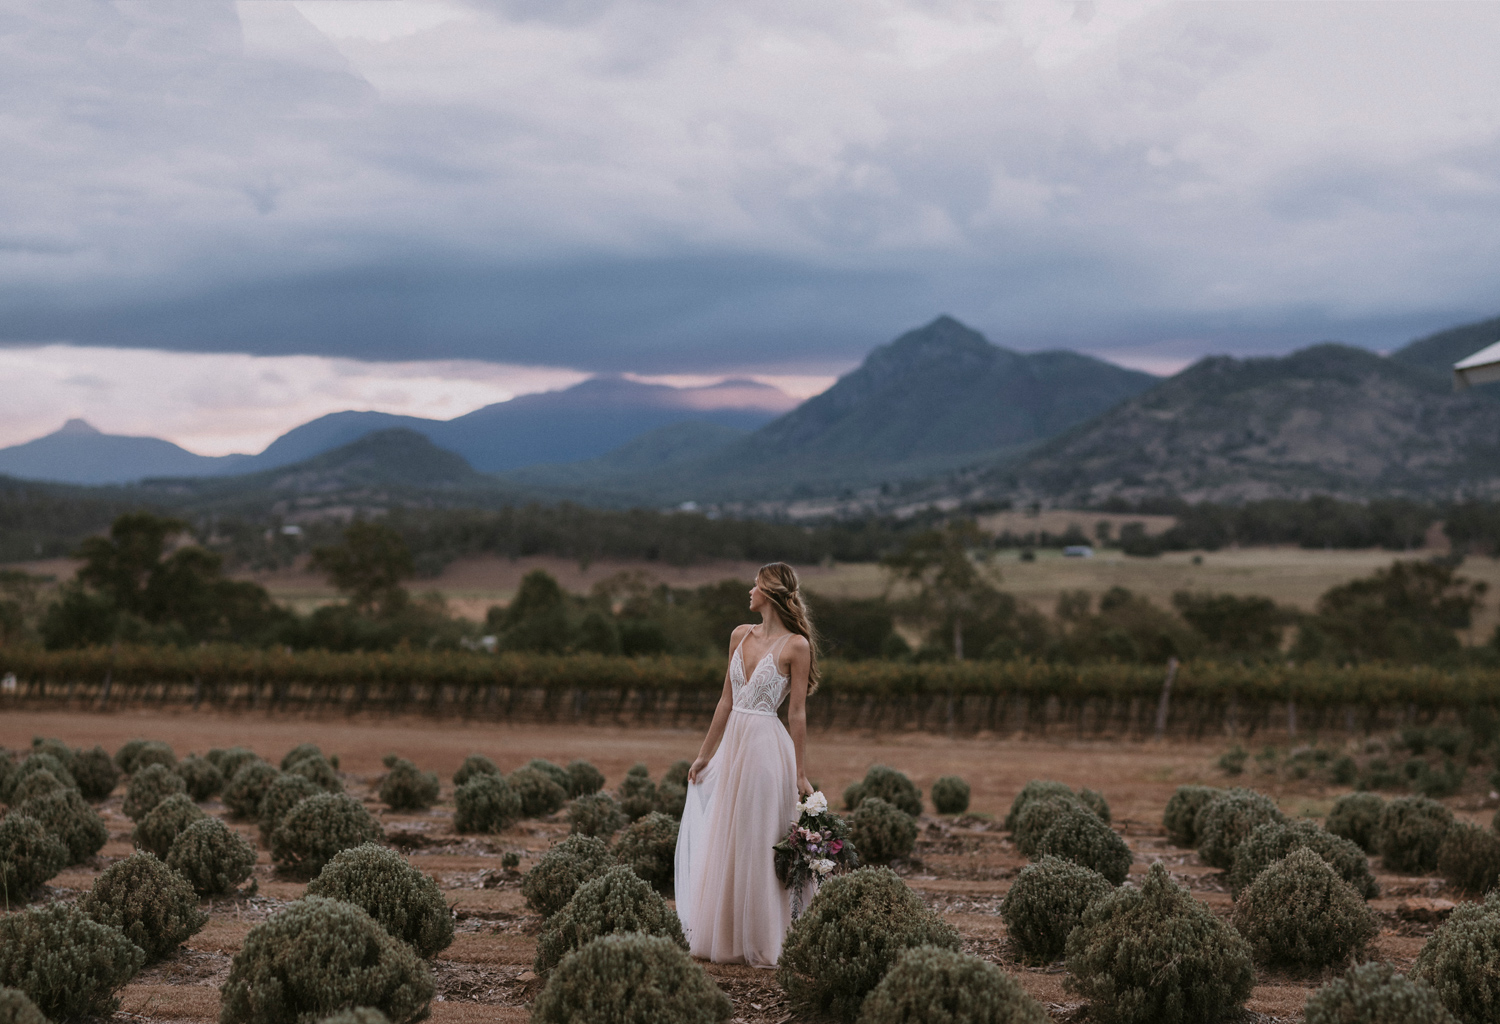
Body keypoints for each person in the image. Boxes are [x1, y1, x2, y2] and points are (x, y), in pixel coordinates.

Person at [673, 561, 818, 967]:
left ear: (769, 594)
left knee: (759, 839)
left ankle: (765, 938)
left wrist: (800, 772)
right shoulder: (739, 635)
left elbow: (797, 715)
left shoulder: (797, 646)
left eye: (754, 586)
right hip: (733, 747)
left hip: (766, 749)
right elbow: (725, 701)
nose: (748, 592)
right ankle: (728, 937)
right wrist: (705, 755)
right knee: (730, 835)